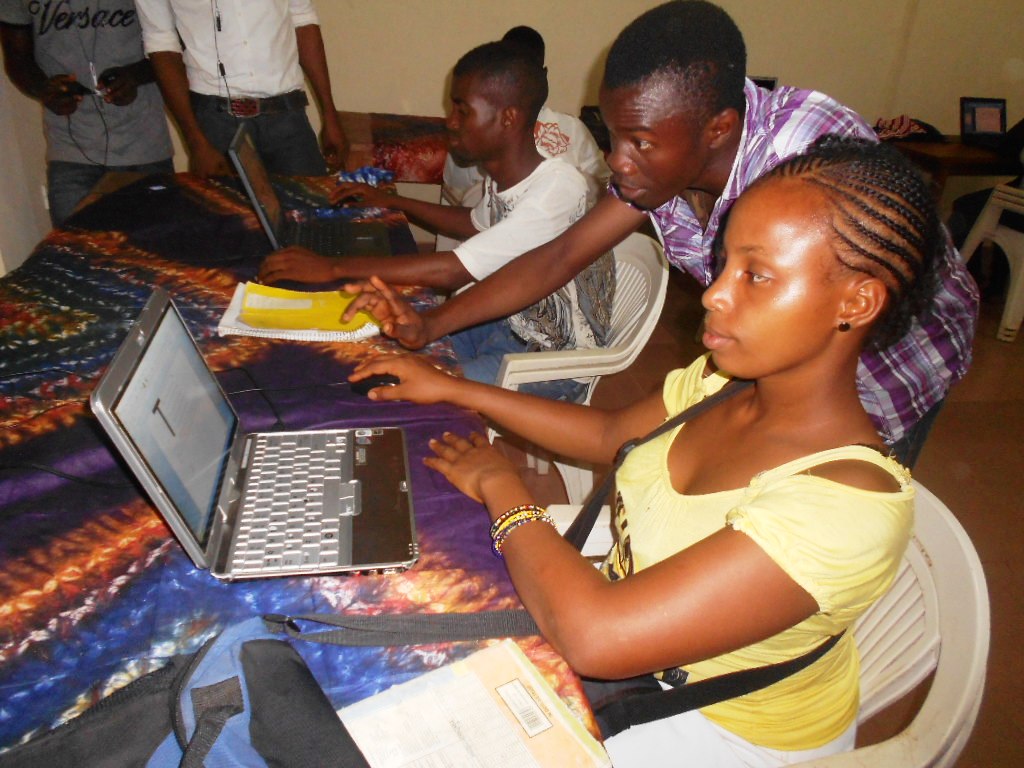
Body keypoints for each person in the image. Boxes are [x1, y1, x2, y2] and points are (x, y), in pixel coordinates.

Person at [348, 135, 931, 765]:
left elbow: (595, 638)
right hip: (635, 655)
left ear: (856, 301)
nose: (713, 293)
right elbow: (608, 435)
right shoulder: (722, 382)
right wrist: (453, 388)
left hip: (720, 731)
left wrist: (503, 486)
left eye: (756, 275)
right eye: (725, 263)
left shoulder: (845, 506)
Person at [342, 0, 978, 468]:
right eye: (614, 135)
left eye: (638, 142)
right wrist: (432, 326)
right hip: (777, 344)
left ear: (718, 130)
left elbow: (866, 302)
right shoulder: (662, 156)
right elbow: (559, 257)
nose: (617, 161)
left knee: (834, 513)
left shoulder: (804, 164)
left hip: (891, 351)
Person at [258, 41, 615, 402]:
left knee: (394, 390)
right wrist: (393, 201)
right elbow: (474, 225)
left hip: (551, 360)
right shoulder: (509, 175)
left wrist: (333, 268)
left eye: (463, 110)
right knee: (371, 350)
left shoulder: (558, 190)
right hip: (507, 322)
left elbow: (453, 271)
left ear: (508, 118)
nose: (451, 122)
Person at [0, 0, 174, 227]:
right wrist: (44, 90)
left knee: (158, 254)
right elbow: (17, 59)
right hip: (71, 154)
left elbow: (175, 44)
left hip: (146, 147)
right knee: (76, 258)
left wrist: (136, 75)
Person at [134, 0, 346, 177]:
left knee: (310, 216)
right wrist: (195, 141)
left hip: (288, 118)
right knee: (228, 223)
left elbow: (303, 19)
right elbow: (161, 43)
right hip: (215, 124)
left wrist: (330, 115)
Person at [441, 25, 609, 214]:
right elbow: (457, 197)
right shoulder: (473, 133)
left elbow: (602, 184)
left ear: (541, 76)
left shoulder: (572, 128)